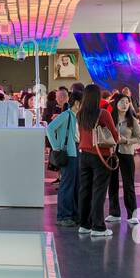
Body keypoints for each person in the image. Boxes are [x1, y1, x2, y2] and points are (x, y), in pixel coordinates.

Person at [75, 83, 118, 238]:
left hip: (84, 154)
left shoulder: (80, 114)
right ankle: (98, 227)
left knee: (84, 190)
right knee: (99, 191)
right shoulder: (103, 114)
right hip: (101, 155)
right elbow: (114, 135)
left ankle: (84, 224)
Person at [48, 87, 81, 227]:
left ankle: (72, 214)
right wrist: (56, 147)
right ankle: (63, 216)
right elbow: (49, 128)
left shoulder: (74, 116)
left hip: (75, 154)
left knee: (73, 185)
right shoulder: (67, 115)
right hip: (68, 154)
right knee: (67, 186)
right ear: (78, 103)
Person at [109, 94, 140, 226]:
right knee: (112, 183)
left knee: (129, 184)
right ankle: (114, 212)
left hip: (126, 153)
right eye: (122, 101)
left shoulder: (132, 120)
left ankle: (132, 213)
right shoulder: (110, 119)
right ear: (116, 103)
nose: (125, 104)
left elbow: (139, 138)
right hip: (111, 154)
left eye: (127, 102)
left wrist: (126, 140)